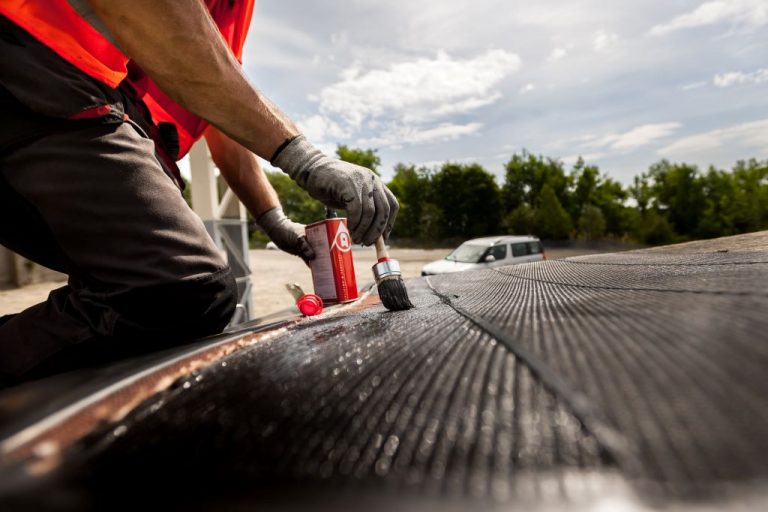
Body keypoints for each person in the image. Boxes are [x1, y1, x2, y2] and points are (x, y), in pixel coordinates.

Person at [0, 0, 399, 385]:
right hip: (27, 66)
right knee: (176, 290)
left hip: (64, 85)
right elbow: (166, 33)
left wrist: (273, 219)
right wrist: (303, 156)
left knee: (158, 285)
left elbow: (220, 112)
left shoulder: (230, 7)